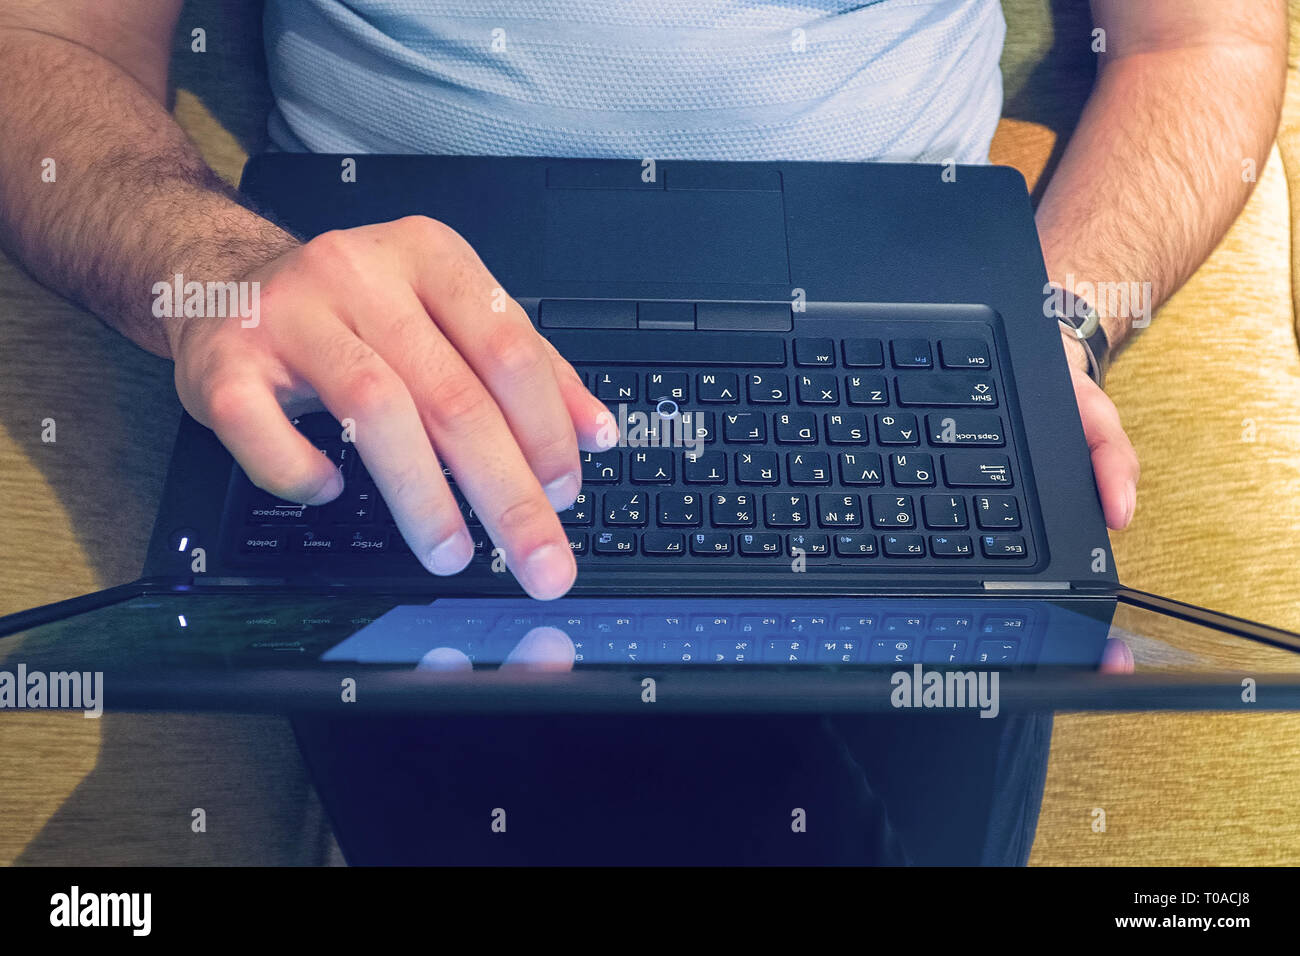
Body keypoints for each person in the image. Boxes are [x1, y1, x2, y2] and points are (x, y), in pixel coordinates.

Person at [0, 0, 1285, 864]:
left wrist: (1041, 326)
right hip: (401, 369)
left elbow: (1200, 41)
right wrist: (220, 271)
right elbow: (47, 40)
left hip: (891, 347)